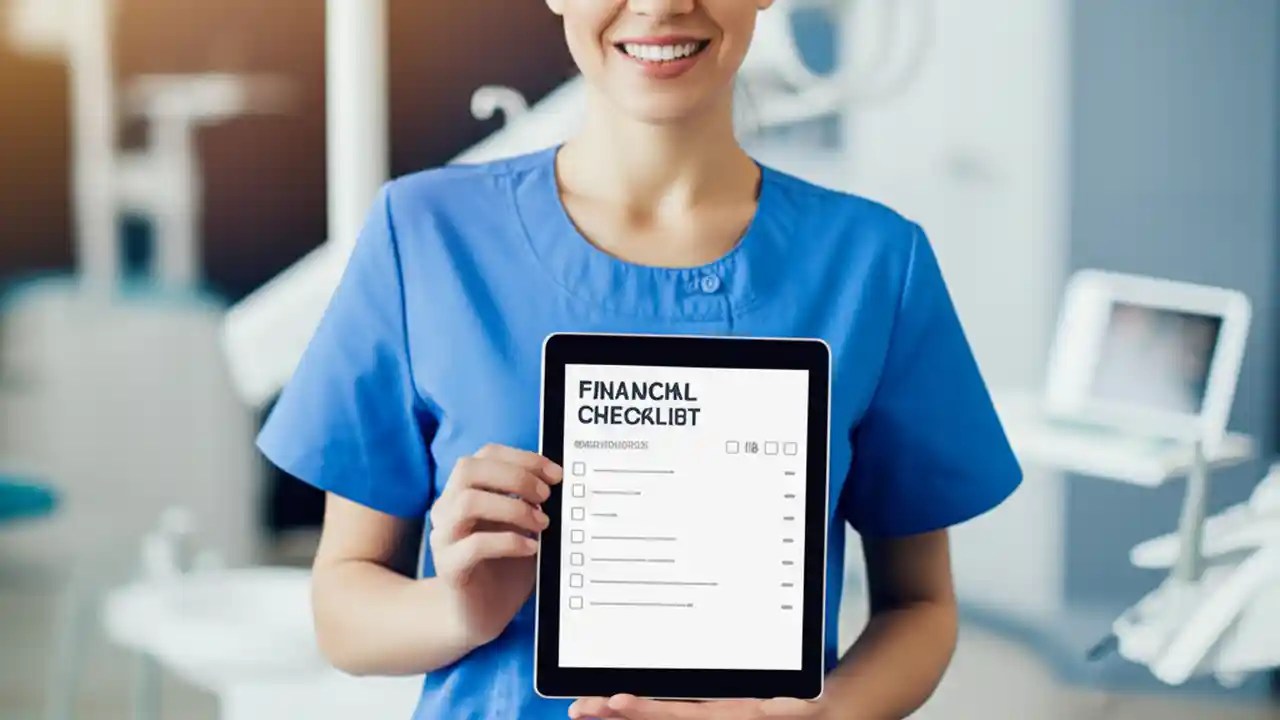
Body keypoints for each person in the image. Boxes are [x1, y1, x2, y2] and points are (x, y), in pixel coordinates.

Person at [257, 1, 1022, 718]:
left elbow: (920, 606)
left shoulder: (874, 265)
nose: (659, 3)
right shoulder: (423, 235)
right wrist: (461, 606)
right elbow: (344, 614)